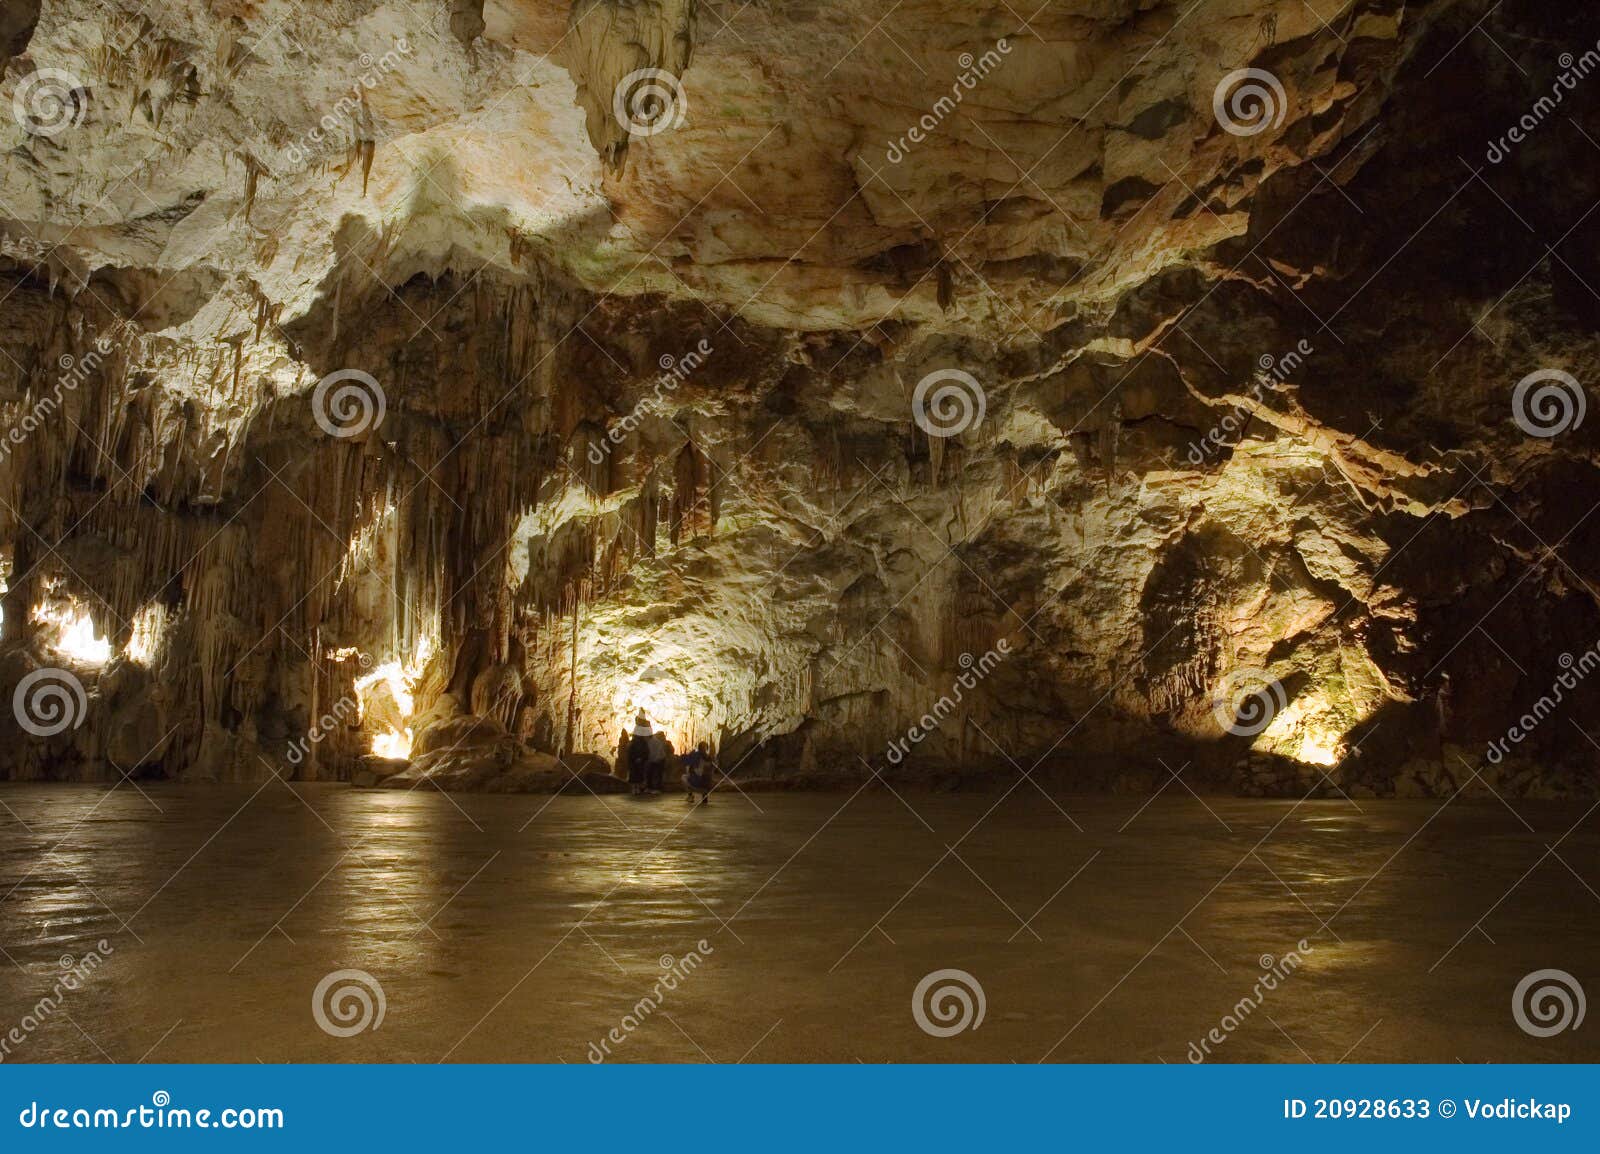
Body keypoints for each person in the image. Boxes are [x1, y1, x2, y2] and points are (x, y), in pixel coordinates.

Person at [681, 741, 716, 805]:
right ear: (706, 749)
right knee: (705, 777)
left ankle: (690, 796)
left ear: (699, 748)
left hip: (697, 784)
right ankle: (705, 797)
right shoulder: (710, 758)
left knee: (684, 777)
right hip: (708, 786)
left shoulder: (695, 755)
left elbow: (685, 762)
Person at [628, 714, 653, 795]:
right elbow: (632, 752)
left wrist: (641, 758)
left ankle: (637, 788)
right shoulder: (636, 743)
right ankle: (635, 788)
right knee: (635, 774)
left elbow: (645, 751)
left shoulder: (641, 743)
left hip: (638, 759)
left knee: (638, 774)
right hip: (636, 760)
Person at [646, 730, 670, 794]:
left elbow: (659, 751)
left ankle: (657, 788)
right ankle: (650, 787)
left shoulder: (656, 741)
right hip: (653, 759)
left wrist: (655, 759)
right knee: (650, 773)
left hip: (659, 759)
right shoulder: (650, 741)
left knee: (657, 774)